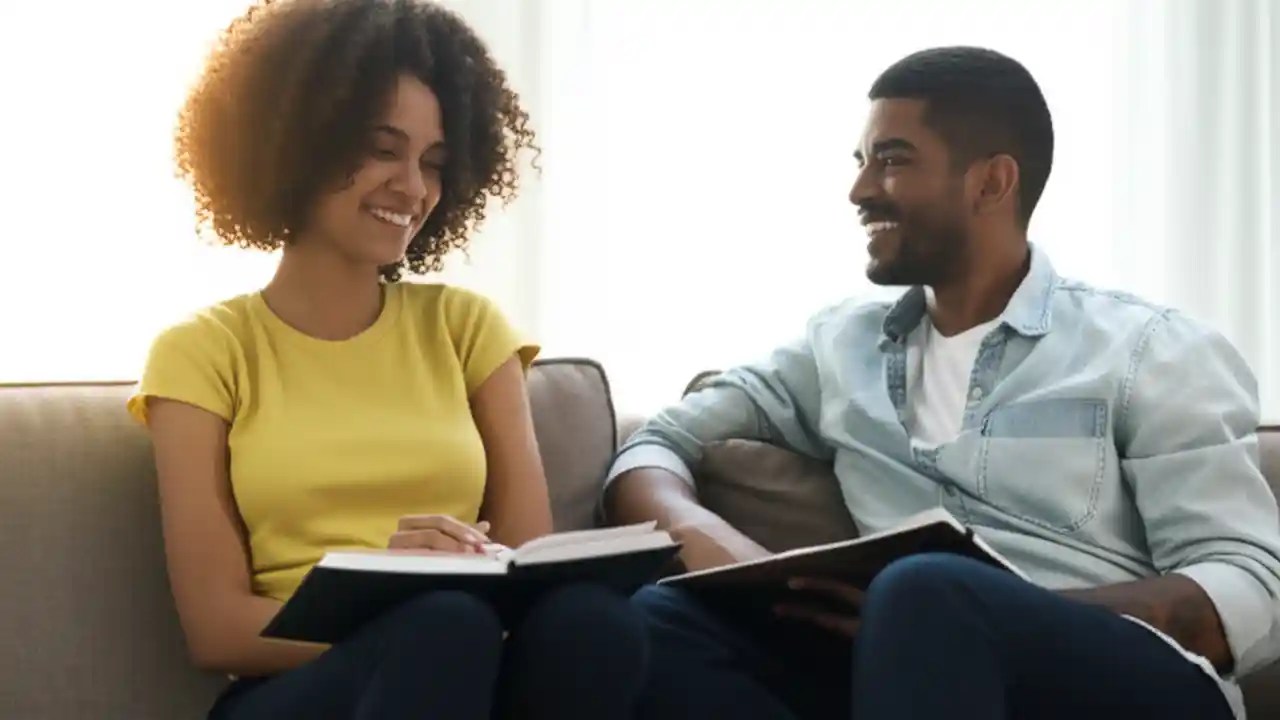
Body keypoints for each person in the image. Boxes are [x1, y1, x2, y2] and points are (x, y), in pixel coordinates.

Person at [606, 46, 1280, 720]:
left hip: (1121, 686)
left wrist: (993, 617)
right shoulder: (838, 348)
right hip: (909, 665)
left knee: (926, 594)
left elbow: (1249, 586)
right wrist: (735, 560)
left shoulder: (1147, 348)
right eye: (862, 161)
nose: (860, 190)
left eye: (892, 160)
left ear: (991, 182)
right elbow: (657, 444)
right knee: (658, 620)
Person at [128, 2, 648, 718]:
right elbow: (216, 629)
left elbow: (530, 568)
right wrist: (386, 596)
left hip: (460, 657)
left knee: (593, 621)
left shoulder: (466, 329)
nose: (413, 187)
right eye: (382, 149)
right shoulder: (203, 352)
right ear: (296, 143)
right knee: (443, 627)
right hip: (300, 688)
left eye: (433, 163)